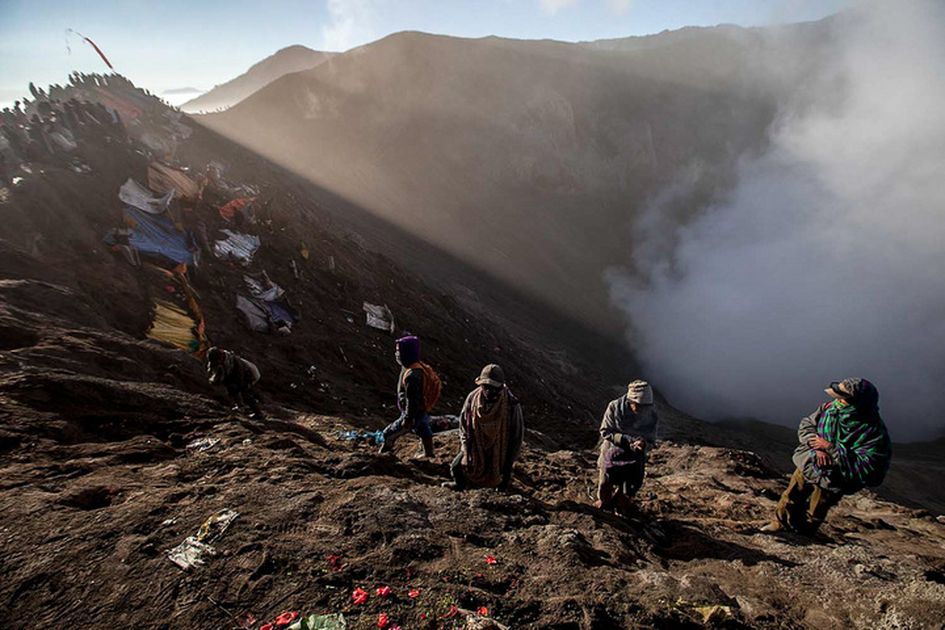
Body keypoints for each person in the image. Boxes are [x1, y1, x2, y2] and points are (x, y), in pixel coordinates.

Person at [762, 378, 892, 535]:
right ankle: (780, 524)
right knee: (791, 496)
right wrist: (817, 448)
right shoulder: (829, 409)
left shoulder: (873, 432)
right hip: (810, 463)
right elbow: (807, 424)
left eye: (843, 398)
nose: (838, 401)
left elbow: (868, 464)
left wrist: (831, 449)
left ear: (857, 403)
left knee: (817, 508)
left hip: (836, 477)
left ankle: (805, 534)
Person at [443, 364, 524, 491]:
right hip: (476, 444)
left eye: (493, 388)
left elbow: (516, 436)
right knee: (456, 466)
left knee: (502, 475)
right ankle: (460, 485)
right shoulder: (472, 398)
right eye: (486, 387)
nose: (489, 391)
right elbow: (464, 425)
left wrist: (509, 461)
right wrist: (465, 450)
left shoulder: (511, 404)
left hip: (500, 448)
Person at [595, 379, 659, 516]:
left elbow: (651, 439)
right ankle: (605, 503)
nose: (643, 410)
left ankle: (621, 503)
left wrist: (643, 445)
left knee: (630, 485)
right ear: (631, 402)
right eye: (639, 406)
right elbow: (606, 431)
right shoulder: (614, 407)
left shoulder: (652, 415)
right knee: (606, 482)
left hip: (635, 455)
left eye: (646, 407)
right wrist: (626, 440)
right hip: (612, 450)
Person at [379, 336, 440, 457]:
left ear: (406, 353)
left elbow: (412, 400)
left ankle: (383, 455)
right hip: (420, 410)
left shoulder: (412, 376)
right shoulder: (417, 367)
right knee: (423, 429)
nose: (396, 354)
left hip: (412, 412)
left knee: (388, 434)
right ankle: (429, 453)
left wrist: (408, 418)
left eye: (398, 351)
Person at [206, 346, 264, 418]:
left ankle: (258, 413)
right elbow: (212, 370)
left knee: (244, 392)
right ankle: (240, 406)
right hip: (236, 374)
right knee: (230, 387)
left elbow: (240, 380)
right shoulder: (217, 360)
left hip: (251, 374)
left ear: (220, 357)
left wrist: (237, 387)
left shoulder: (235, 363)